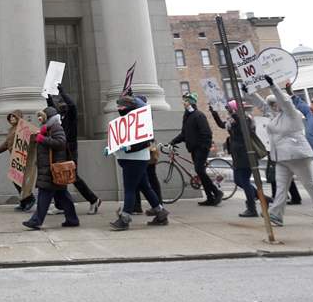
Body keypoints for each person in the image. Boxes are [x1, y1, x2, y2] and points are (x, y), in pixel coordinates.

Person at [259, 78, 313, 229]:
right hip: (281, 157)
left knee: (310, 186)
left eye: (275, 103)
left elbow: (286, 102)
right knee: (281, 188)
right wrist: (246, 93)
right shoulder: (276, 117)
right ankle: (276, 214)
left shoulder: (292, 113)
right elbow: (261, 105)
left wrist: (273, 86)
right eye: (272, 104)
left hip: (296, 155)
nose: (273, 106)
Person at [109, 95, 167, 231]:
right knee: (145, 187)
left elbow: (146, 141)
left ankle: (125, 218)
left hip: (136, 159)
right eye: (118, 106)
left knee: (129, 189)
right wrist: (112, 147)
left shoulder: (141, 121)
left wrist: (128, 148)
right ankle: (160, 213)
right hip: (131, 159)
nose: (119, 109)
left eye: (121, 106)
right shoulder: (126, 121)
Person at [22, 105, 80, 230]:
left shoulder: (56, 127)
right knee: (63, 196)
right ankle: (72, 219)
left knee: (44, 195)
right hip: (50, 169)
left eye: (42, 117)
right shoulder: (48, 128)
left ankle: (36, 221)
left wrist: (43, 139)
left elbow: (60, 142)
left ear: (48, 117)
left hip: (52, 169)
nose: (40, 119)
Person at [46, 84, 101, 214]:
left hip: (70, 151)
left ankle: (93, 200)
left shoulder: (71, 118)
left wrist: (62, 92)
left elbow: (73, 106)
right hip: (60, 150)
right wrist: (48, 95)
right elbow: (51, 108)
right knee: (57, 176)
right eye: (60, 104)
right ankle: (60, 206)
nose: (61, 105)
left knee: (73, 177)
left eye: (63, 103)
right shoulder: (59, 119)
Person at [210, 100, 260, 217]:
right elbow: (223, 125)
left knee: (244, 180)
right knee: (238, 180)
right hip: (239, 155)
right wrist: (215, 113)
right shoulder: (236, 119)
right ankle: (261, 198)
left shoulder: (242, 118)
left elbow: (238, 129)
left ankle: (252, 207)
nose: (228, 111)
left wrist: (233, 115)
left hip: (244, 154)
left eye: (229, 109)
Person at [170, 91, 222, 206]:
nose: (184, 103)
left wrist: (204, 147)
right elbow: (184, 134)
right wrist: (173, 141)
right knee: (200, 172)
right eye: (184, 101)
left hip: (201, 148)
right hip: (193, 148)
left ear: (191, 103)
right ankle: (210, 197)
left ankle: (217, 192)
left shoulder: (199, 115)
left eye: (186, 101)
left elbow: (207, 133)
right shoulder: (187, 117)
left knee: (199, 170)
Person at [0, 109, 35, 212]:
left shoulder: (24, 128)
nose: (12, 119)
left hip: (24, 158)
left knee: (20, 180)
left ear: (18, 118)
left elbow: (34, 136)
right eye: (10, 117)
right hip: (15, 158)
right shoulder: (11, 129)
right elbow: (6, 143)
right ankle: (24, 201)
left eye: (14, 117)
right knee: (16, 180)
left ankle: (30, 199)